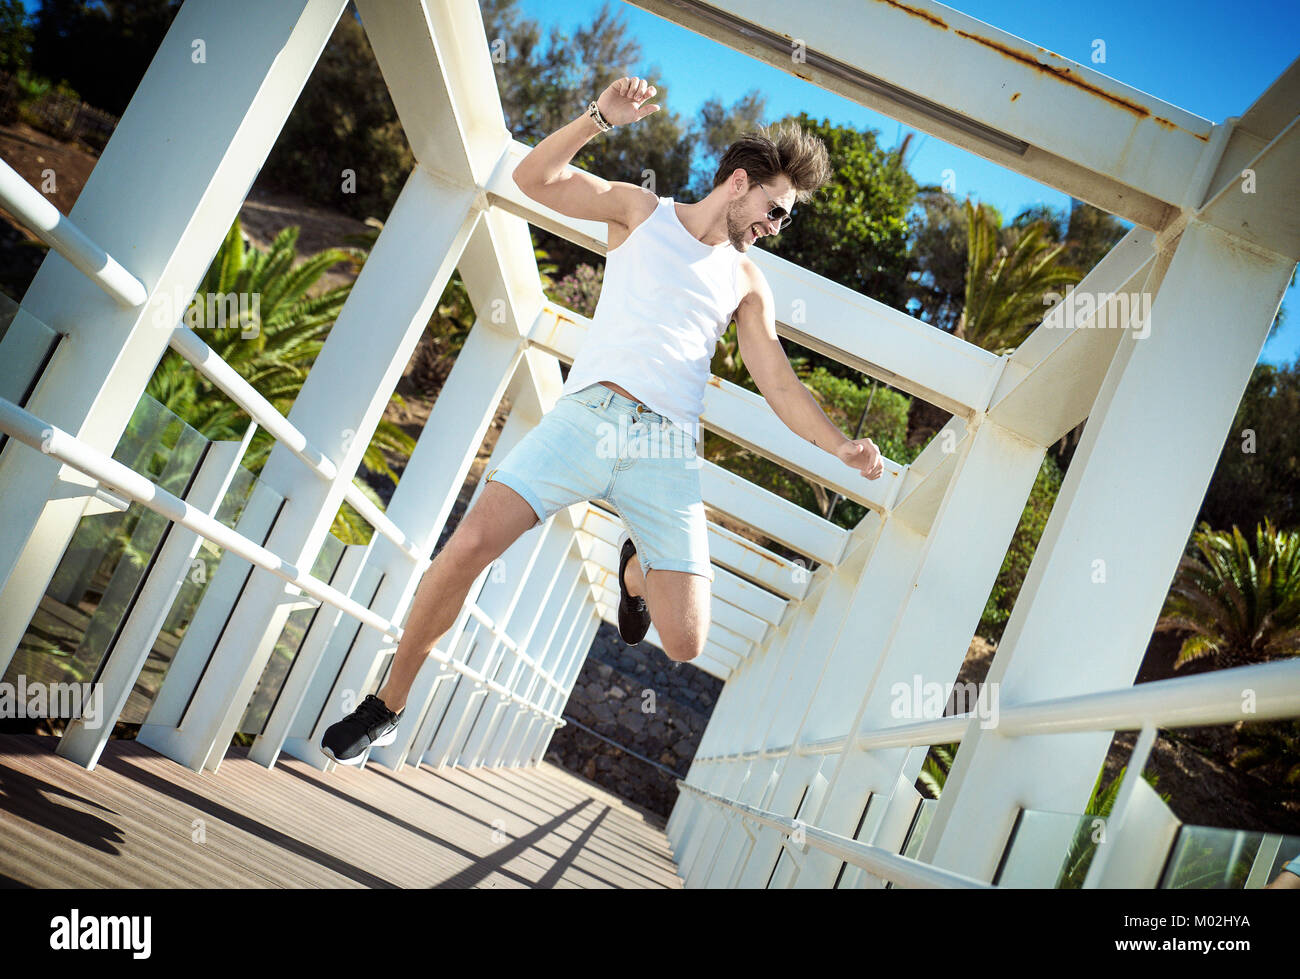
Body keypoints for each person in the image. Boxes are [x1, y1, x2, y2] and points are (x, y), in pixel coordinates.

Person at [321, 76, 885, 764]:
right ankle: (387, 704)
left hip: (664, 448)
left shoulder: (747, 282)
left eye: (784, 218)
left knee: (685, 641)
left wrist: (840, 446)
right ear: (739, 183)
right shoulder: (639, 210)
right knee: (469, 545)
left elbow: (779, 381)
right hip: (585, 418)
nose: (777, 226)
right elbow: (534, 177)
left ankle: (636, 575)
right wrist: (598, 118)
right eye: (777, 209)